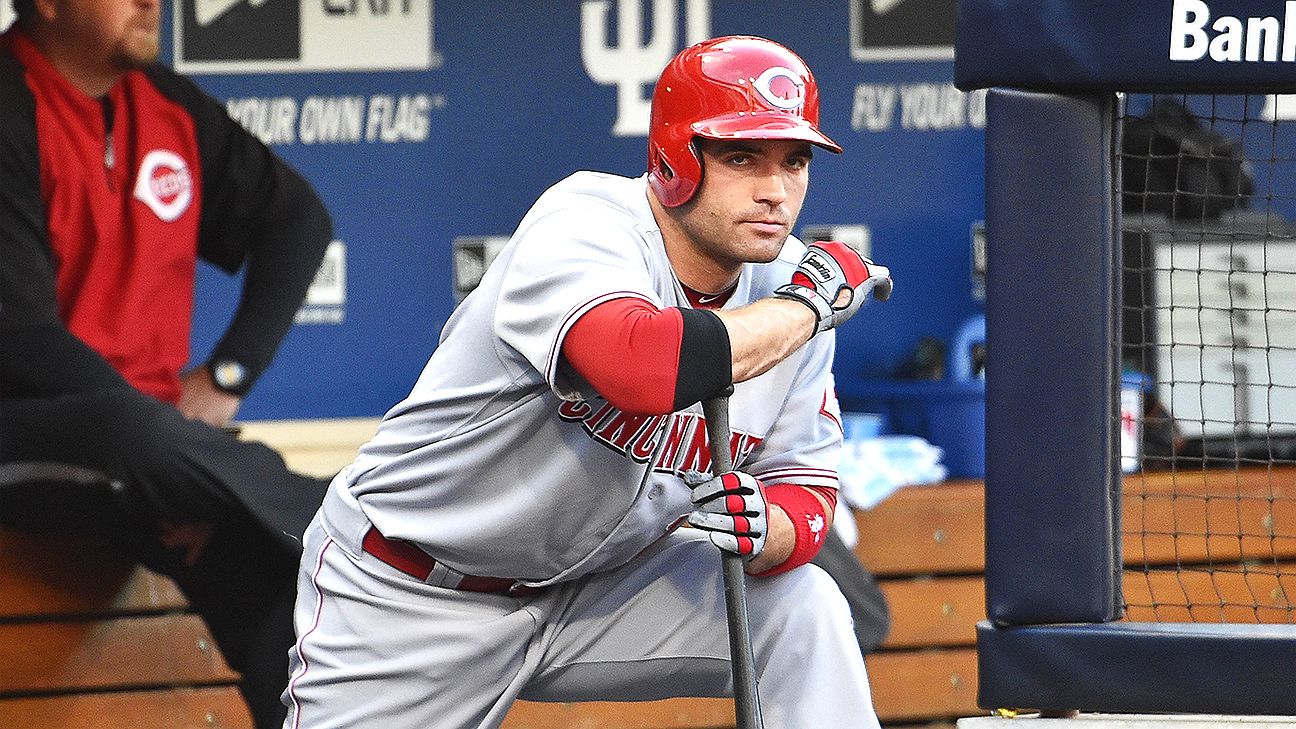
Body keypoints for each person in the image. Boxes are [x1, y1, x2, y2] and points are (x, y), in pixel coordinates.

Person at [282, 35, 893, 729]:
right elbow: (644, 366)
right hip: (413, 591)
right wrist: (806, 309)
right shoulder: (589, 225)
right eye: (741, 156)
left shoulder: (792, 295)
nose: (775, 189)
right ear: (673, 158)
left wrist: (770, 530)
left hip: (603, 593)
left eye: (795, 161)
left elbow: (804, 484)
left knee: (801, 605)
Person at [0, 0, 333, 726]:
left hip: (153, 456)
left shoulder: (161, 102)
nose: (152, 1)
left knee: (297, 587)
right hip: (29, 432)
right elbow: (20, 336)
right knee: (136, 435)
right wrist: (167, 456)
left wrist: (228, 375)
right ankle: (336, 512)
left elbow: (297, 219)